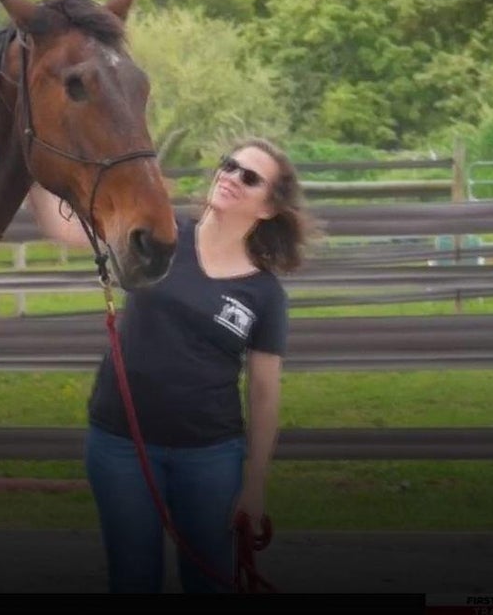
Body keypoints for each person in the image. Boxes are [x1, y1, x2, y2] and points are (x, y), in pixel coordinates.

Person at [24, 137, 319, 593]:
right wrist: (34, 162)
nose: (232, 176)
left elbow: (264, 393)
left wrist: (255, 484)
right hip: (120, 445)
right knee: (133, 579)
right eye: (230, 165)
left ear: (267, 208)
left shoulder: (264, 295)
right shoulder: (158, 238)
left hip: (211, 458)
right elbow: (63, 231)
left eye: (250, 177)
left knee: (209, 581)